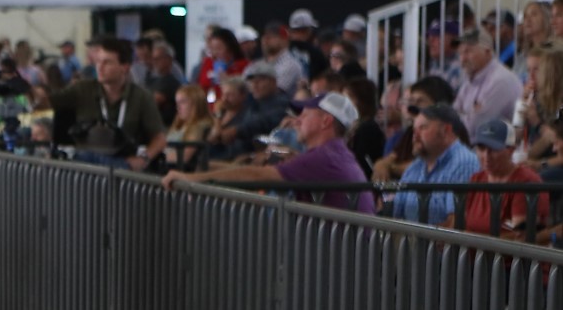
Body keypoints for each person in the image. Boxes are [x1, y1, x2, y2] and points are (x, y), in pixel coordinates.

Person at [163, 92, 375, 214]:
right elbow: (257, 170)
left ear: (326, 121)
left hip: (338, 264)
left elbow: (258, 175)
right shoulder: (333, 152)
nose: (297, 120)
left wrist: (191, 179)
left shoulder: (324, 156)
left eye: (305, 114)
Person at [49, 36, 167, 169]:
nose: (100, 67)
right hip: (85, 160)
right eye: (98, 61)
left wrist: (143, 159)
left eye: (107, 62)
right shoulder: (82, 88)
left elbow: (160, 138)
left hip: (121, 161)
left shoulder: (141, 97)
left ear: (125, 67)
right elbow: (49, 102)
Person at [449, 119, 550, 238]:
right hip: (474, 255)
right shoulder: (477, 178)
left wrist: (470, 239)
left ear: (511, 150)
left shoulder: (527, 181)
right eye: (481, 148)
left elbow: (522, 238)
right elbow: (457, 222)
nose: (486, 156)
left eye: (494, 149)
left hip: (506, 256)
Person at [392, 103, 479, 225]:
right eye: (414, 130)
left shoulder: (464, 163)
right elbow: (394, 216)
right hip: (409, 242)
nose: (415, 136)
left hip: (436, 243)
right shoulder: (414, 167)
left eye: (422, 128)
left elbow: (455, 225)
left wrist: (415, 238)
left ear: (445, 130)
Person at [452, 28, 523, 132]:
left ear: (487, 52)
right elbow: (452, 116)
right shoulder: (471, 78)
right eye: (460, 53)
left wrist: (466, 116)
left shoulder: (500, 80)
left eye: (468, 51)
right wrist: (470, 115)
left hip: (497, 146)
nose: (463, 59)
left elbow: (476, 127)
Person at [164, 83, 213, 169]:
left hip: (176, 171)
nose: (178, 107)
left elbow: (184, 157)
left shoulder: (200, 125)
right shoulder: (179, 125)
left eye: (183, 102)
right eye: (177, 103)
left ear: (196, 103)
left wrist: (154, 157)